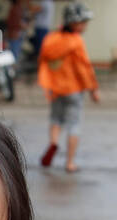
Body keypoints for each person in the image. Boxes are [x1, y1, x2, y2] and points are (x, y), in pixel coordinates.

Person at [38, 1, 98, 171]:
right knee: (74, 124)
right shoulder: (76, 42)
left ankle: (53, 143)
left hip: (56, 89)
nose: (86, 26)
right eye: (84, 22)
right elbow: (84, 68)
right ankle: (70, 162)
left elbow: (45, 62)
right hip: (74, 90)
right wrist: (93, 89)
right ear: (75, 23)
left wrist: (48, 84)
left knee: (55, 120)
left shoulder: (51, 39)